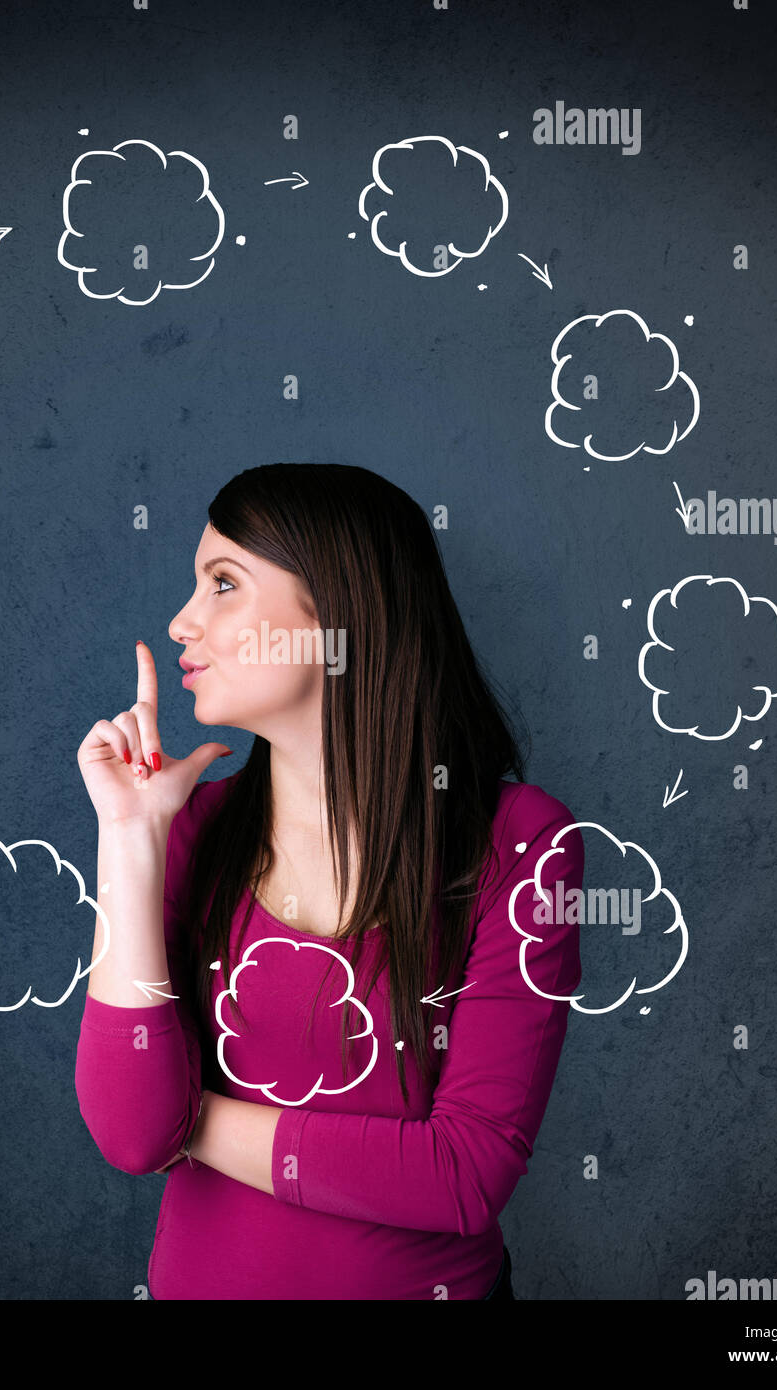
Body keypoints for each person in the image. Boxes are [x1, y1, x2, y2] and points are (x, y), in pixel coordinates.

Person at [75, 462, 583, 1300]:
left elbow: (462, 1174)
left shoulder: (520, 843)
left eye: (223, 584)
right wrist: (129, 840)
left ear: (334, 613)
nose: (180, 622)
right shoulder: (184, 830)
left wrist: (184, 1115)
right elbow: (131, 1138)